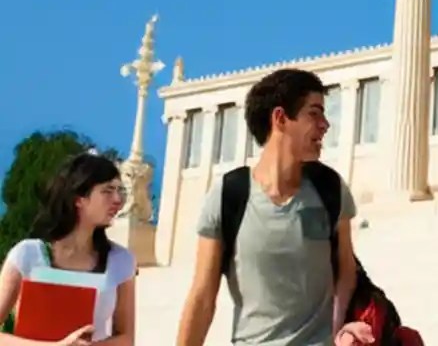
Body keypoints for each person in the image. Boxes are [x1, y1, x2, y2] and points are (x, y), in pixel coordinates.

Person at [176, 68, 359, 346]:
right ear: (280, 118)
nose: (325, 124)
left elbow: (346, 272)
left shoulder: (330, 189)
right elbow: (202, 296)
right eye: (314, 113)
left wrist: (337, 329)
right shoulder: (229, 195)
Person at [0, 152, 137, 345]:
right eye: (107, 190)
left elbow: (126, 338)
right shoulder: (27, 255)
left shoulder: (121, 261)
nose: (118, 199)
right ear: (78, 198)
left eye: (119, 190)